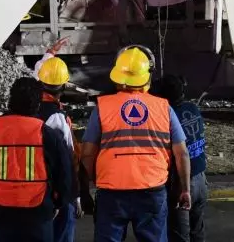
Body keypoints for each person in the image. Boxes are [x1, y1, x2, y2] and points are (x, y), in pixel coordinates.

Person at [80, 46, 192, 242]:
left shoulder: (102, 107)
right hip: (152, 190)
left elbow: (88, 154)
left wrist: (84, 189)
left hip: (111, 192)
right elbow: (181, 153)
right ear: (146, 77)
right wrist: (185, 189)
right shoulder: (164, 108)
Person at [0, 77, 76, 242]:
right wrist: (58, 203)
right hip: (38, 217)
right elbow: (65, 175)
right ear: (38, 105)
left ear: (10, 100)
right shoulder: (48, 136)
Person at [36, 54, 86, 242]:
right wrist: (76, 197)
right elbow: (69, 159)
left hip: (36, 187)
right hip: (57, 191)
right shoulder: (56, 117)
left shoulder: (31, 107)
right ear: (64, 86)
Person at [152, 75, 207, 242]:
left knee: (179, 235)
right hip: (201, 178)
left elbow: (178, 153)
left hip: (182, 180)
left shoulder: (168, 115)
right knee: (197, 232)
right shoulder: (192, 108)